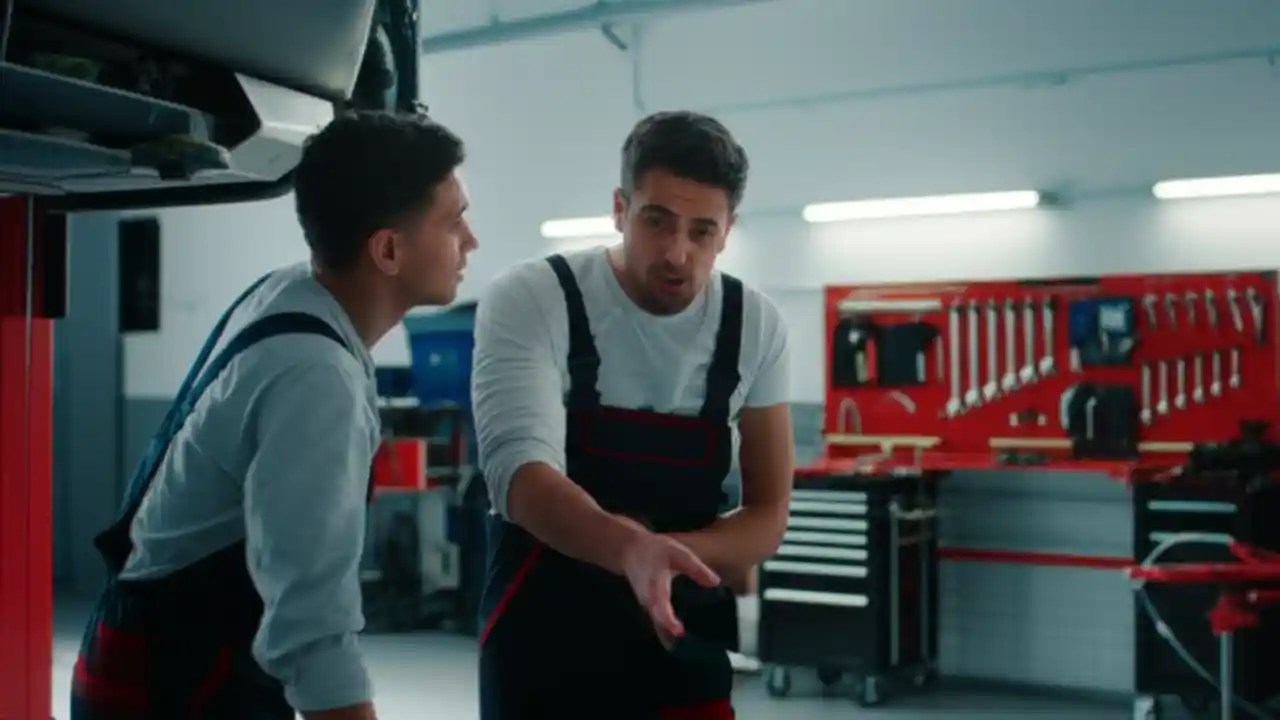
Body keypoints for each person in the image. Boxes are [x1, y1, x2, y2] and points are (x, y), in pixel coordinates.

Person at [70, 111, 478, 720]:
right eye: (454, 220)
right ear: (388, 249)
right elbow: (310, 628)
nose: (471, 240)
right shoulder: (318, 374)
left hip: (144, 657)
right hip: (176, 688)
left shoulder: (288, 293)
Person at [472, 110, 795, 718]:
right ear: (620, 210)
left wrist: (663, 555)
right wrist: (633, 553)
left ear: (728, 231)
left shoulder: (754, 325)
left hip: (681, 646)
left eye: (702, 231)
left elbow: (768, 515)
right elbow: (520, 476)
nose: (677, 253)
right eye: (656, 221)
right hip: (542, 646)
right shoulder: (535, 298)